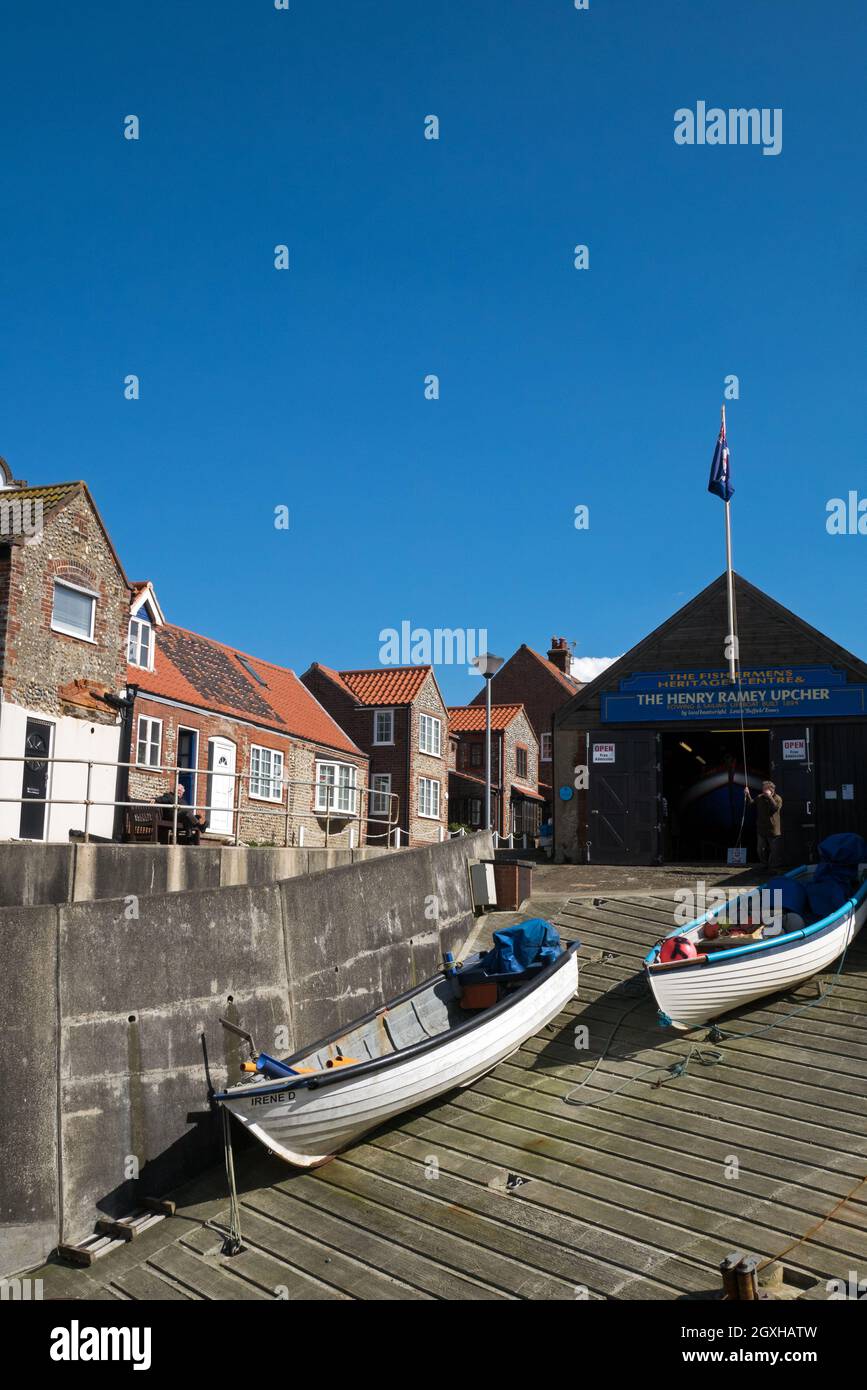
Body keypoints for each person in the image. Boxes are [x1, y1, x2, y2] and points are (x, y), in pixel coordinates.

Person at [744, 780, 783, 868]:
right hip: (761, 829)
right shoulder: (760, 797)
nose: (763, 790)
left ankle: (772, 867)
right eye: (763, 789)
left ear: (771, 790)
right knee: (760, 849)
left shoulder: (778, 798)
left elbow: (775, 808)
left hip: (773, 830)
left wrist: (770, 797)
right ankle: (764, 864)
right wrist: (748, 794)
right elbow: (751, 804)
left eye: (765, 789)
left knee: (774, 851)